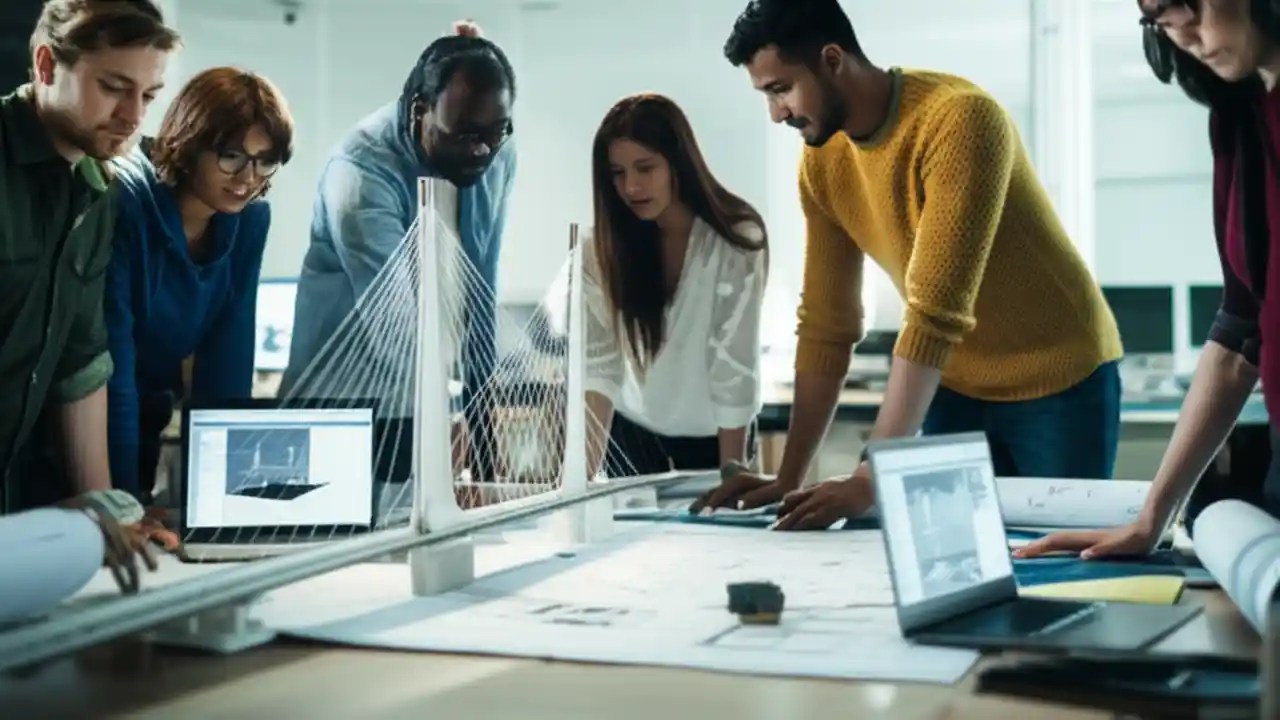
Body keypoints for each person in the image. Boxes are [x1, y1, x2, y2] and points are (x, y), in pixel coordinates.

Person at [693, 0, 1124, 530]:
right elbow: (828, 323)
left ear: (832, 59)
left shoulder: (960, 119)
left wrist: (873, 475)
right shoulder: (822, 161)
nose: (776, 112)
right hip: (956, 382)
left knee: (1063, 562)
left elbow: (934, 312)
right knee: (949, 558)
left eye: (780, 89)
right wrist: (789, 475)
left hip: (1058, 376)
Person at [1018, 0, 1280, 560]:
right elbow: (1240, 331)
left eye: (1191, 3)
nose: (1182, 30)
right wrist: (1152, 518)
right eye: (1160, 16)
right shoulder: (1239, 113)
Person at [284, 21, 516, 486]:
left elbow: (481, 291)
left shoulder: (495, 154)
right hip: (342, 410)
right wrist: (447, 413)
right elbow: (394, 320)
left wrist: (481, 414)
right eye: (468, 133)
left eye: (497, 131)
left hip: (427, 402)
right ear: (419, 111)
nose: (482, 151)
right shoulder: (360, 172)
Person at [0, 0, 179, 513]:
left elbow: (81, 364)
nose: (134, 117)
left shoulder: (99, 190)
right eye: (114, 88)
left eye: (147, 95)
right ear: (46, 65)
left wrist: (105, 510)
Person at [105, 67, 295, 503]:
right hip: (83, 421)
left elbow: (228, 358)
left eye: (266, 160)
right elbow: (112, 366)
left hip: (147, 412)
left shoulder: (249, 220)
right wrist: (120, 498)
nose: (249, 177)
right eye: (231, 154)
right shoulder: (127, 201)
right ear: (190, 147)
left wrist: (223, 504)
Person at [582, 93, 767, 478]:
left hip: (716, 436)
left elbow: (733, 364)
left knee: (717, 535)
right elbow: (599, 369)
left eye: (645, 168)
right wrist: (578, 483)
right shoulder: (597, 248)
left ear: (678, 163)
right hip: (632, 432)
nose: (631, 187)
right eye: (617, 173)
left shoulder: (736, 239)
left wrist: (733, 473)